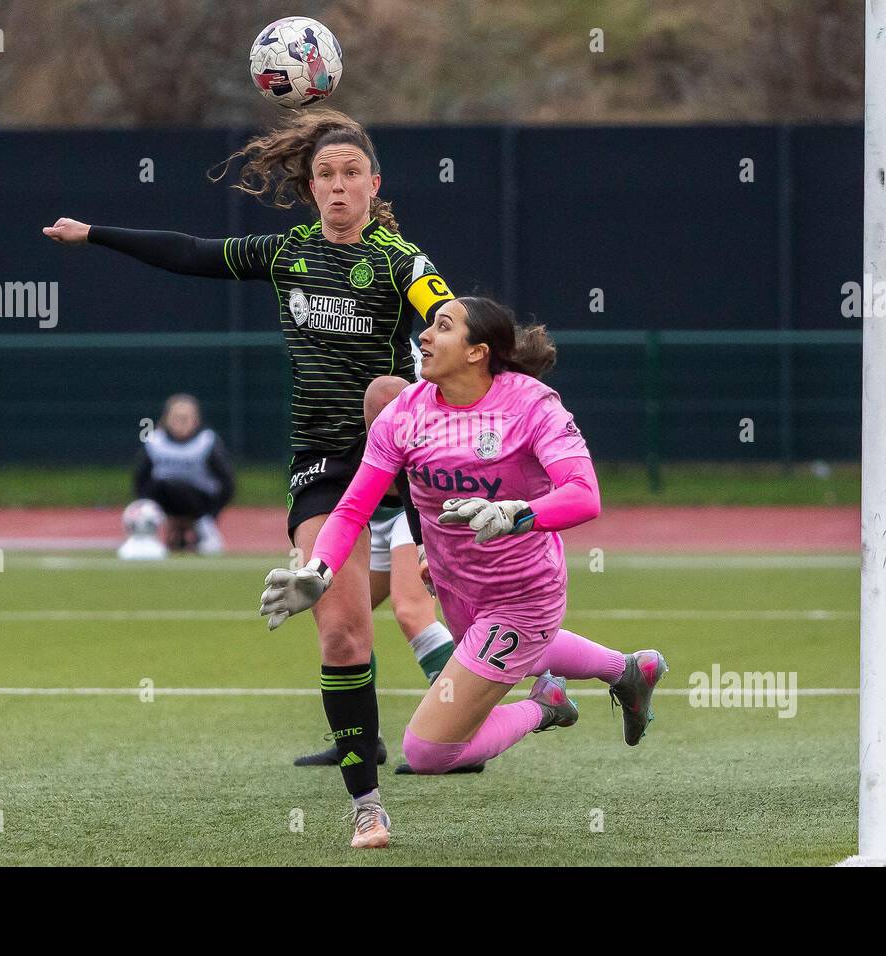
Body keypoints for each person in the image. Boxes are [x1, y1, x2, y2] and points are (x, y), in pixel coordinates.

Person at [44, 108, 455, 849]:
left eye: (350, 175)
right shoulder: (286, 252)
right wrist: (96, 233)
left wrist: (486, 357)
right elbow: (190, 252)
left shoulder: (403, 263)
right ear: (310, 187)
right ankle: (367, 802)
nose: (337, 188)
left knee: (440, 598)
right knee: (340, 630)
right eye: (324, 176)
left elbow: (449, 317)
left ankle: (546, 681)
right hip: (326, 465)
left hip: (407, 461)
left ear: (374, 184)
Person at [259, 297, 668, 809]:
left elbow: (585, 494)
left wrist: (518, 513)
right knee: (526, 651)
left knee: (427, 749)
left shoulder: (532, 404)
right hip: (457, 588)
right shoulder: (404, 413)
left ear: (478, 352)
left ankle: (545, 706)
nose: (425, 336)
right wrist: (319, 572)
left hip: (525, 594)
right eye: (429, 326)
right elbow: (352, 508)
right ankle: (627, 670)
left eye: (442, 327)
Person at [292, 375, 477, 774]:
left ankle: (463, 737)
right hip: (369, 510)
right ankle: (360, 738)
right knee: (343, 618)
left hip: (411, 508)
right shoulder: (333, 370)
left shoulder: (415, 365)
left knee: (412, 611)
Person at [134, 394, 235, 554]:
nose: (180, 422)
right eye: (176, 418)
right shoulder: (155, 442)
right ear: (166, 418)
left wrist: (213, 515)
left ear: (196, 420)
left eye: (185, 418)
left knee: (178, 487)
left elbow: (227, 483)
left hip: (199, 501)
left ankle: (205, 530)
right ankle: (148, 534)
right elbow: (140, 480)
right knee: (159, 485)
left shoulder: (206, 442)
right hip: (165, 500)